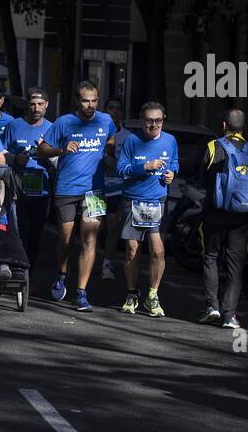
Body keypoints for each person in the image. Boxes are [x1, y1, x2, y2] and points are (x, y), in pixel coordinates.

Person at [34, 81, 115, 313]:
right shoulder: (64, 122)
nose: (90, 105)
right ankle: (61, 272)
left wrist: (108, 152)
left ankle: (81, 292)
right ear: (77, 101)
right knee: (65, 239)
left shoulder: (105, 120)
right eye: (85, 101)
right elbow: (42, 150)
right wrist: (61, 149)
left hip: (95, 190)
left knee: (90, 240)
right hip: (66, 188)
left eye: (94, 101)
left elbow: (111, 138)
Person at [200, 108, 248, 329]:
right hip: (242, 216)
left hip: (215, 214)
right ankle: (230, 315)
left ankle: (212, 306)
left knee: (211, 257)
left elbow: (203, 178)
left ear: (224, 125)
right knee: (236, 266)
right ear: (243, 127)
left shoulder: (213, 146)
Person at [115, 102, 177, 316]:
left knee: (158, 251)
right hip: (133, 201)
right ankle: (132, 293)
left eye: (158, 120)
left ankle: (152, 295)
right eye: (150, 120)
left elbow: (174, 163)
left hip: (157, 202)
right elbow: (121, 169)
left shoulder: (170, 140)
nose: (154, 125)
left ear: (163, 120)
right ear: (143, 121)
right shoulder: (132, 140)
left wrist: (172, 174)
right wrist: (145, 167)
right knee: (132, 251)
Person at [4, 87, 54, 274]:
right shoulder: (14, 125)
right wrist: (16, 159)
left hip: (41, 189)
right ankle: (14, 268)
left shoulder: (52, 128)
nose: (36, 108)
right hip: (17, 187)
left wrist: (48, 155)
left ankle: (27, 274)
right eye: (32, 104)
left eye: (40, 104)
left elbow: (59, 158)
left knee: (35, 235)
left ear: (46, 105)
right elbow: (1, 153)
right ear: (27, 105)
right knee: (17, 231)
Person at [99, 97, 132, 280]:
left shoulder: (127, 137)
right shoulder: (96, 131)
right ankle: (90, 256)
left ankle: (107, 263)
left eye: (118, 108)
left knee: (113, 225)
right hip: (96, 187)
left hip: (116, 188)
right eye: (111, 108)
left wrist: (115, 163)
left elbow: (130, 163)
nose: (115, 111)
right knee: (95, 228)